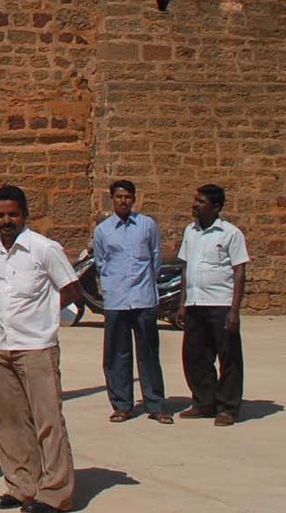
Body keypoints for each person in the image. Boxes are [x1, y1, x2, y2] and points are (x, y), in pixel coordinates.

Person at [0, 185, 79, 513]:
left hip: (37, 348)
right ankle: (21, 486)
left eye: (13, 214)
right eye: (0, 215)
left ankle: (57, 494)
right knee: (10, 422)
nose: (6, 220)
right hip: (1, 348)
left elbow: (71, 289)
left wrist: (45, 315)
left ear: (25, 215)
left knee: (47, 422)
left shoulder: (44, 249)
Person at [91, 179, 171, 424]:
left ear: (134, 199)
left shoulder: (147, 226)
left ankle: (155, 404)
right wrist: (112, 286)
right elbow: (101, 262)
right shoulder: (103, 230)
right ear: (111, 199)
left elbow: (155, 259)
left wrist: (144, 283)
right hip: (116, 299)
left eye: (127, 197)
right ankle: (122, 404)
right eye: (118, 197)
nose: (123, 201)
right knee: (117, 354)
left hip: (143, 297)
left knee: (148, 353)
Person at [176, 183, 248, 426]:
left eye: (201, 201)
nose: (195, 205)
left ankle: (228, 407)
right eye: (196, 200)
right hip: (196, 303)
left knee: (228, 358)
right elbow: (187, 268)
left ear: (215, 207)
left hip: (220, 304)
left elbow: (239, 272)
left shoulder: (230, 233)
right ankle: (204, 402)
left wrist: (234, 311)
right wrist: (183, 303)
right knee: (194, 356)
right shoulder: (190, 231)